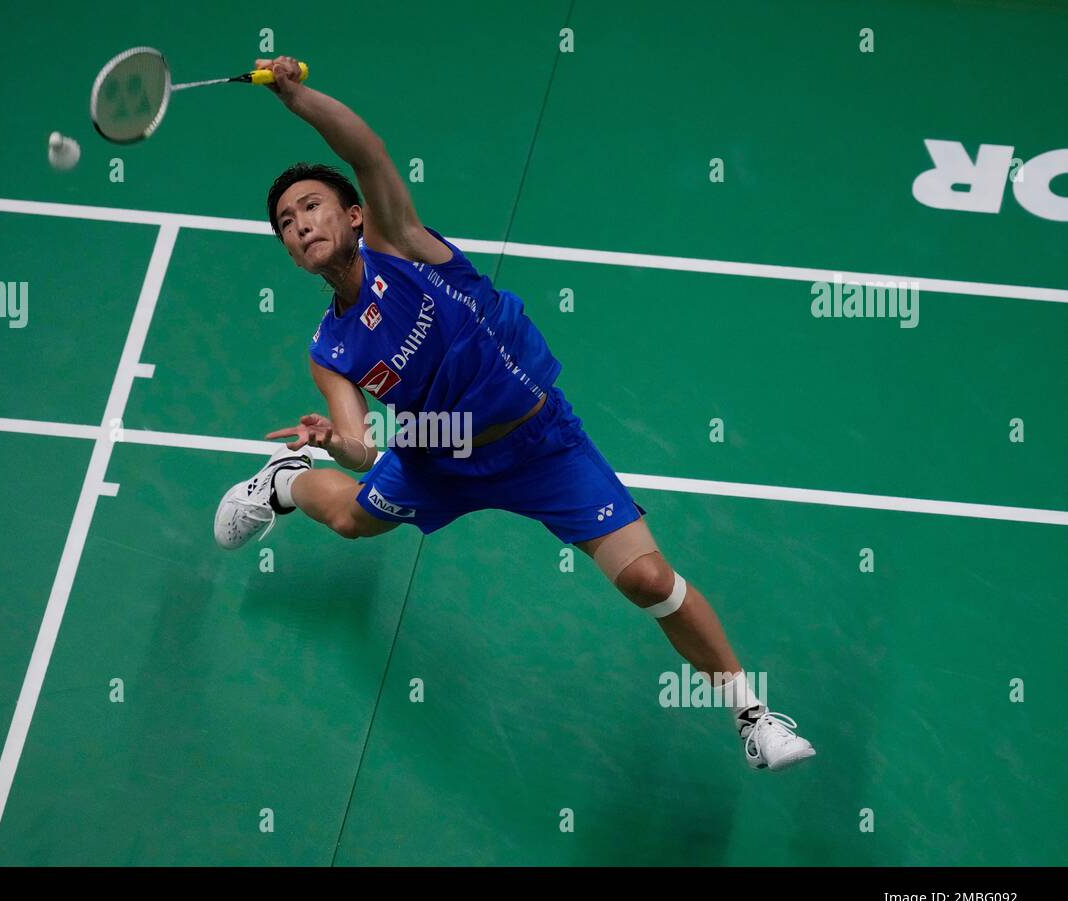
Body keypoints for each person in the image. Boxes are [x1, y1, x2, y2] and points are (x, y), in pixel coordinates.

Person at [214, 56, 815, 771]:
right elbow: (360, 444)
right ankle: (284, 481)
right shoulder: (329, 348)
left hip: (539, 445)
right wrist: (333, 443)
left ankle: (752, 716)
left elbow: (365, 151)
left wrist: (297, 96)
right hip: (438, 455)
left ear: (353, 214)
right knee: (348, 518)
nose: (299, 224)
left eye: (311, 205)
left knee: (650, 580)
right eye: (285, 221)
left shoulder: (400, 244)